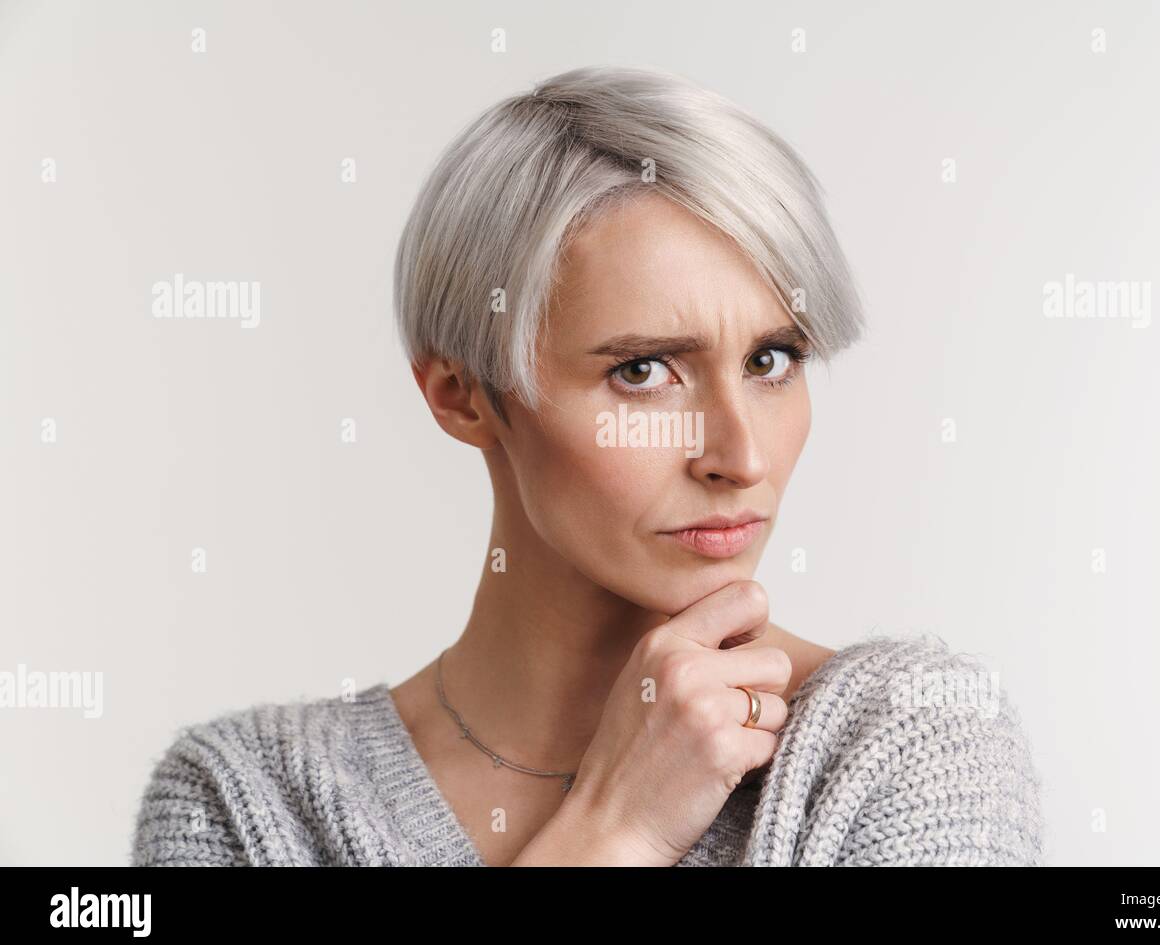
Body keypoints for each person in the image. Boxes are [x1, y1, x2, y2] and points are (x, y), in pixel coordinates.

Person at [131, 65, 1044, 866]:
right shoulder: (248, 804)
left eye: (772, 360)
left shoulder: (902, 740)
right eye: (643, 371)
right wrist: (613, 831)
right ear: (463, 395)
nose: (742, 454)